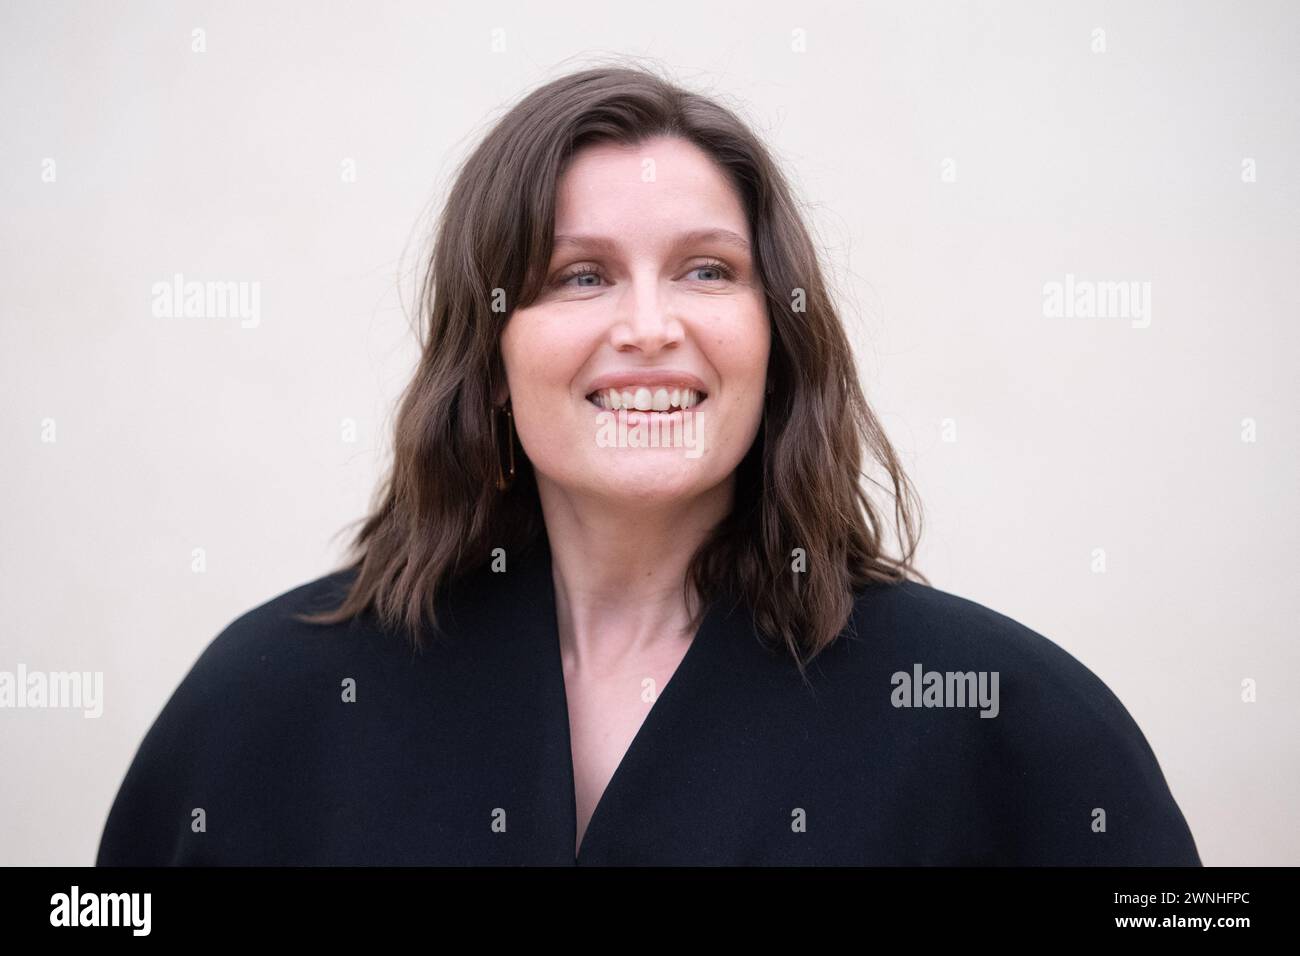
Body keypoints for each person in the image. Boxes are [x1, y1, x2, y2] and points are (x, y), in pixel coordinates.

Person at [96, 63, 1200, 866]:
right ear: (488, 357)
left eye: (706, 271)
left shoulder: (1003, 718)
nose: (649, 325)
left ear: (778, 339)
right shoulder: (265, 706)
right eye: (579, 277)